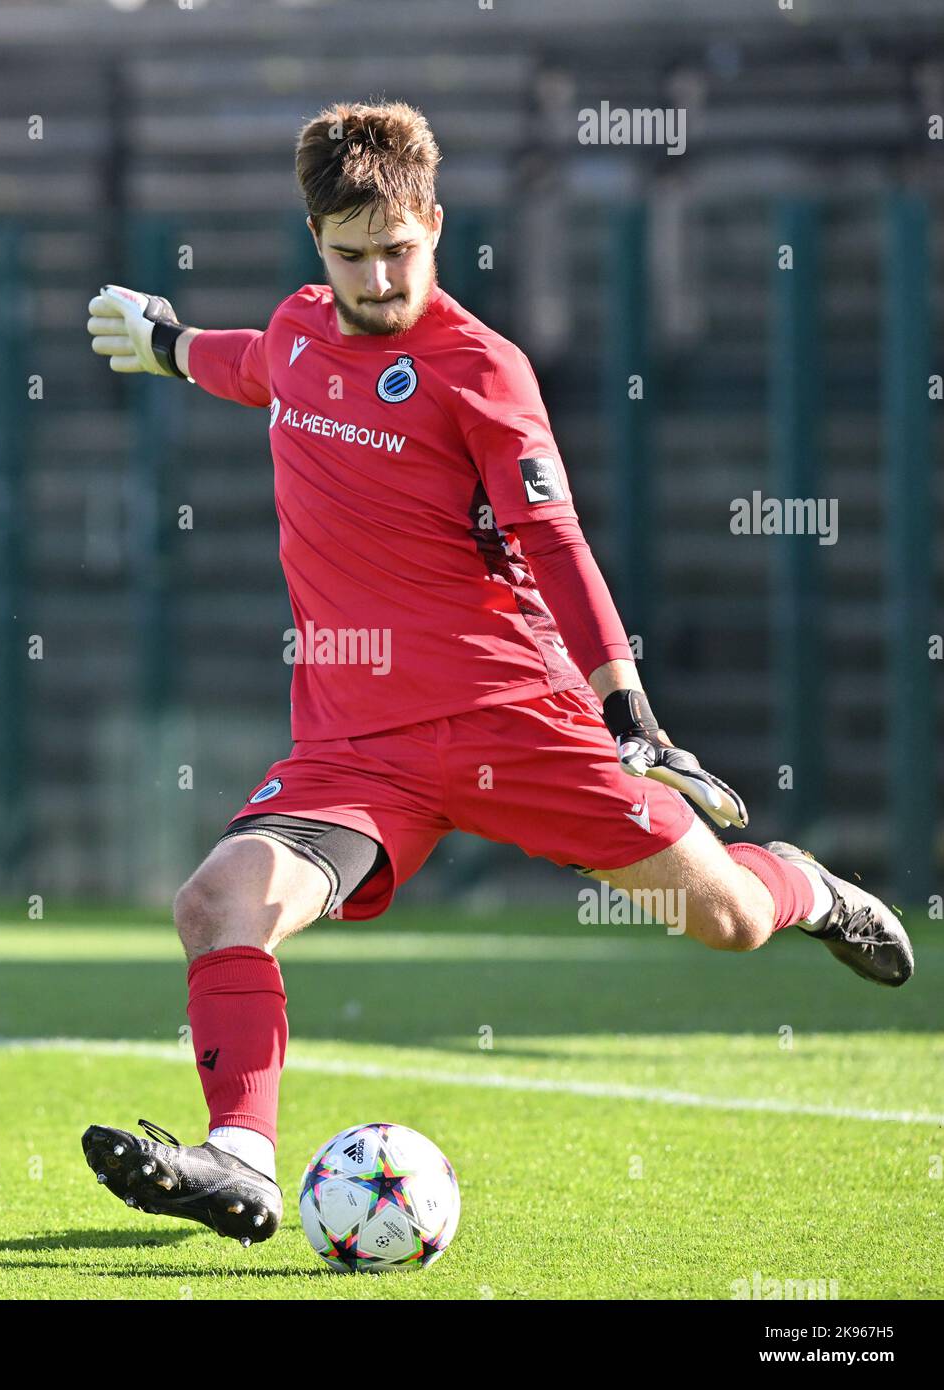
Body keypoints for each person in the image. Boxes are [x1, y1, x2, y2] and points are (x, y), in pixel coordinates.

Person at [80, 101, 912, 1248]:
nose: (378, 274)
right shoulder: (301, 331)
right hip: (356, 748)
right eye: (349, 252)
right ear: (315, 241)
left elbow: (560, 543)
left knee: (723, 919)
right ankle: (241, 1157)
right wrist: (170, 344)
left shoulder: (481, 370)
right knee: (218, 903)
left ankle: (803, 887)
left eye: (398, 248)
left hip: (516, 719)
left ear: (433, 220)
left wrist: (627, 705)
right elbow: (258, 367)